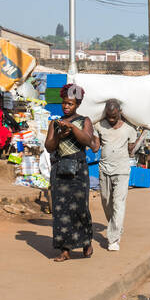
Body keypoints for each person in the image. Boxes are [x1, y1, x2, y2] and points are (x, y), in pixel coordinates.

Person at [44, 82, 98, 261]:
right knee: (60, 211)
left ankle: (86, 242)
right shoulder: (55, 123)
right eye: (64, 103)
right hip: (60, 169)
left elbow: (87, 141)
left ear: (78, 105)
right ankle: (65, 250)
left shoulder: (84, 121)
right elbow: (49, 146)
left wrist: (73, 128)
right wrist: (59, 135)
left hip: (78, 170)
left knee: (80, 207)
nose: (66, 107)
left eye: (70, 104)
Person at [94, 98, 139, 252]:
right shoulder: (99, 126)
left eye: (114, 116)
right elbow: (95, 145)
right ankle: (116, 227)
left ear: (120, 112)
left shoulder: (129, 129)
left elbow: (131, 148)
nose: (111, 120)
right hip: (104, 169)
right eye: (109, 116)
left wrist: (141, 137)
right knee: (106, 202)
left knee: (118, 203)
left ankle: (113, 239)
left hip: (122, 170)